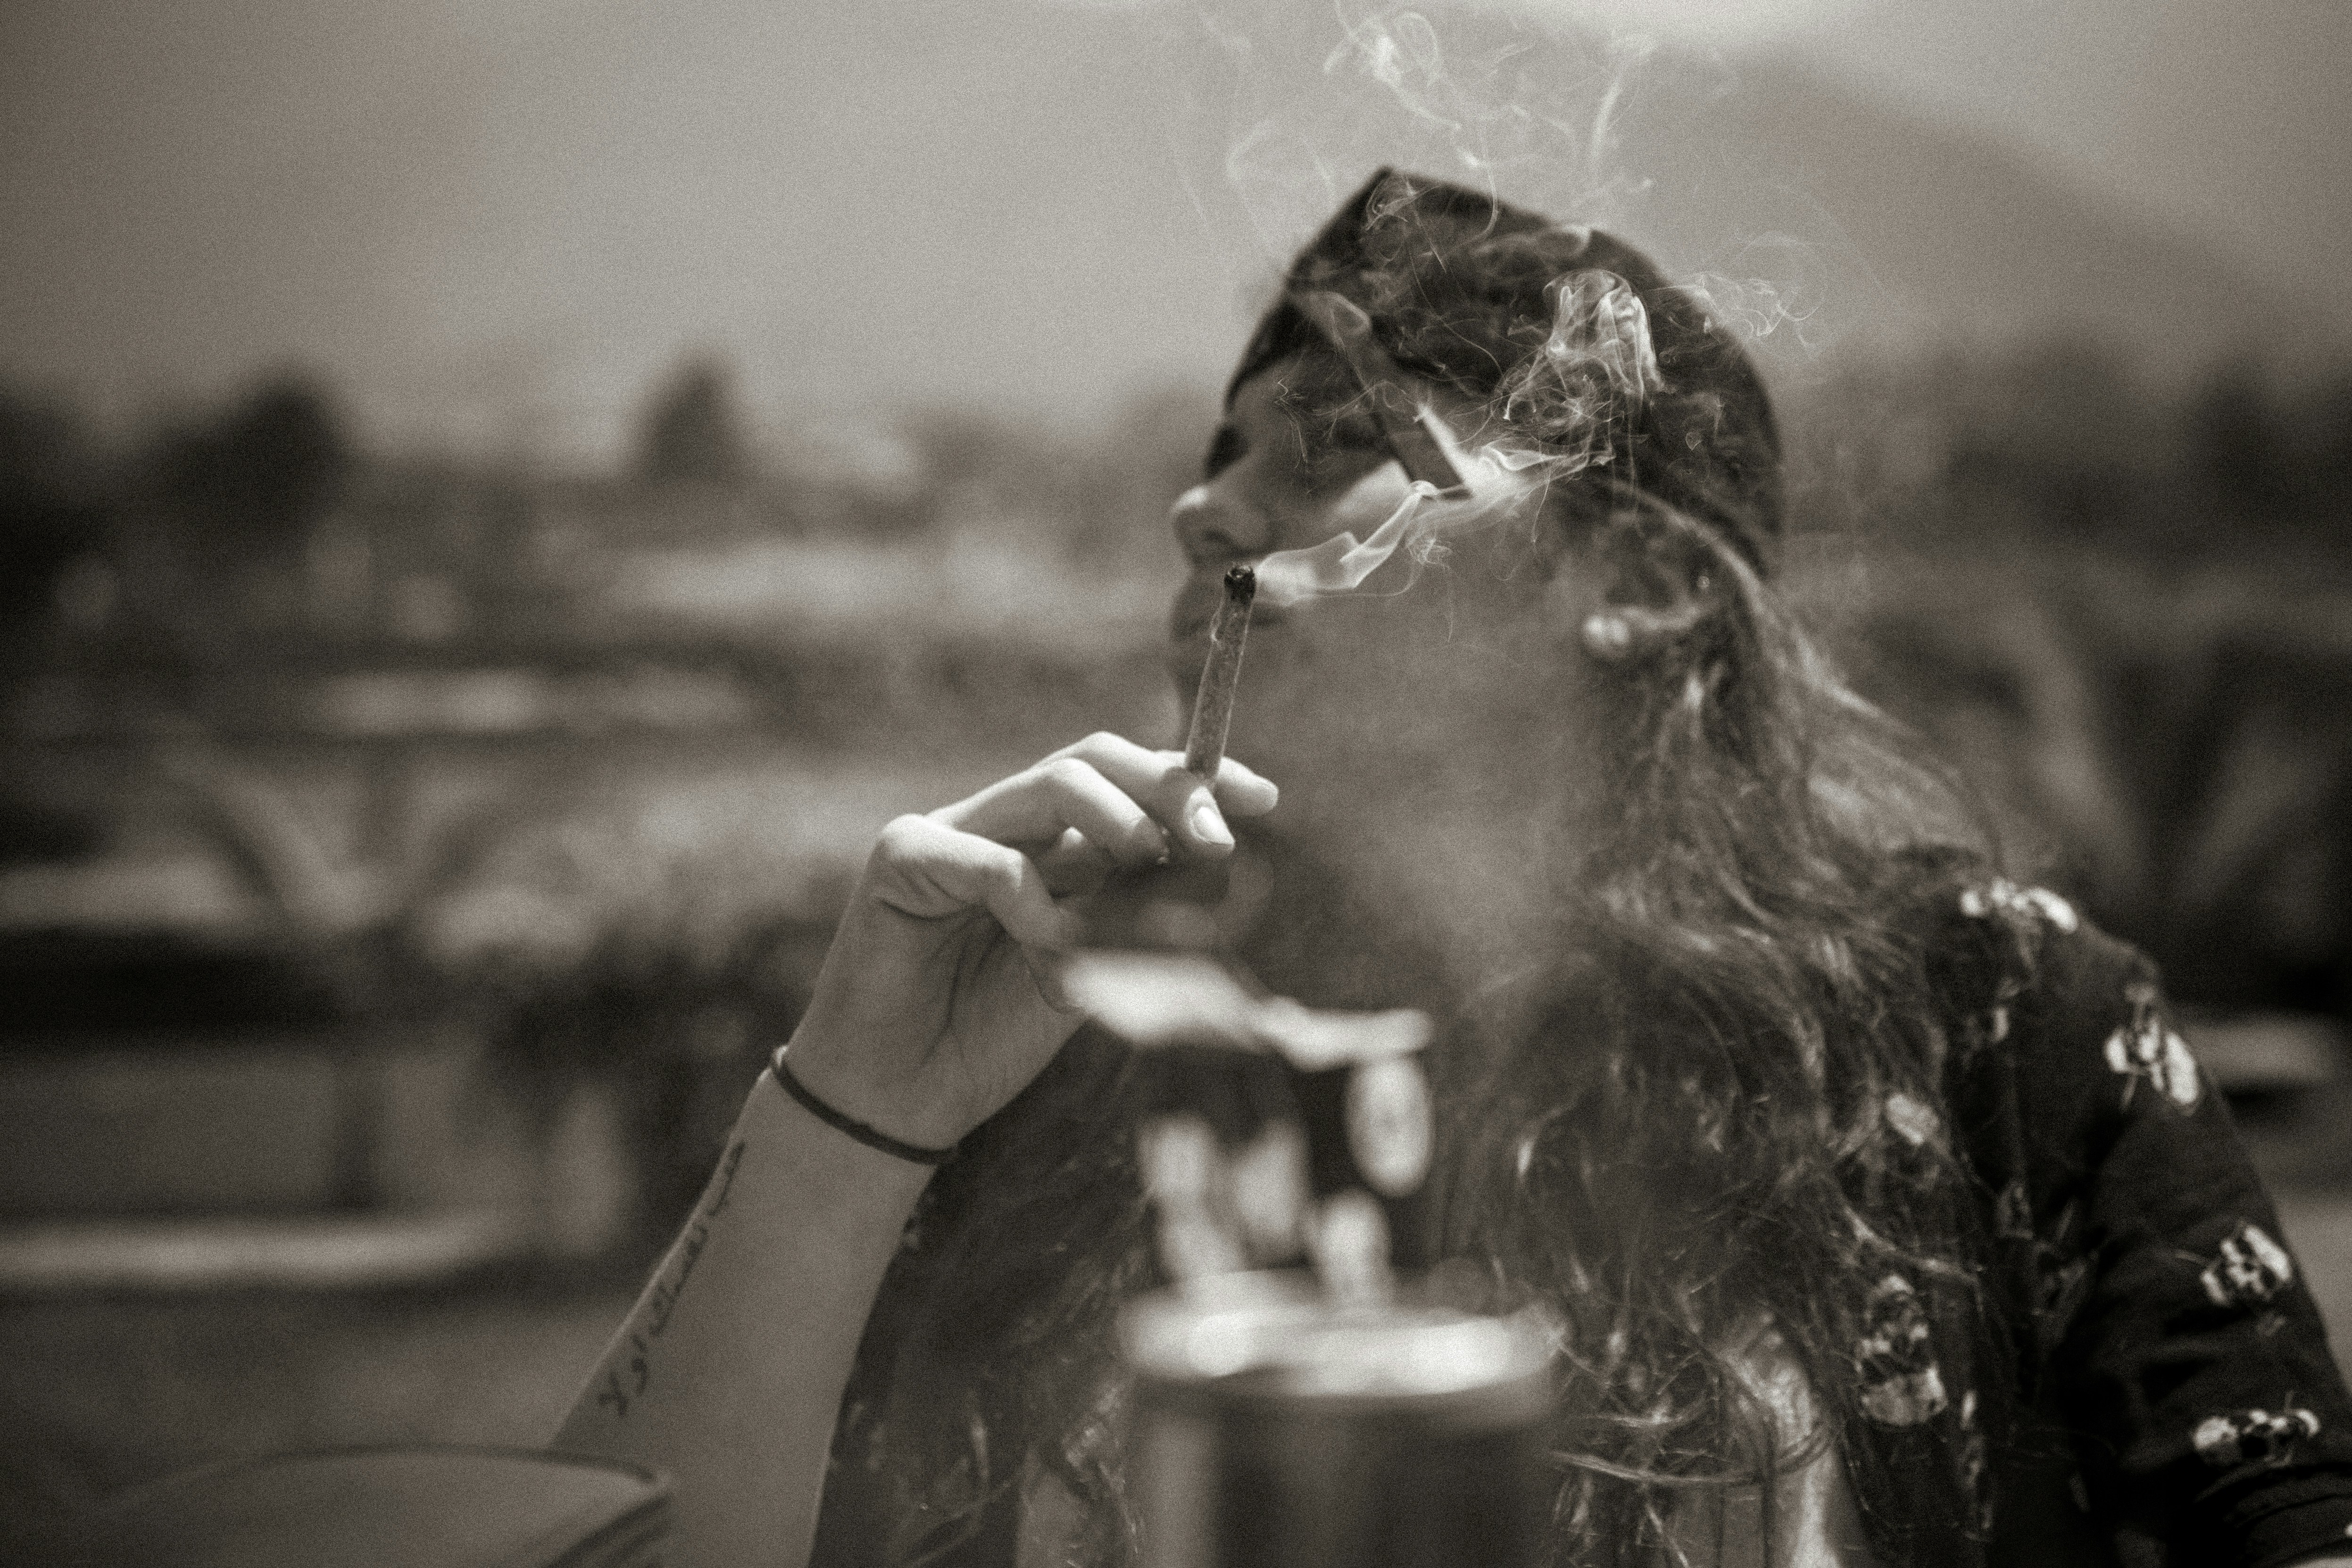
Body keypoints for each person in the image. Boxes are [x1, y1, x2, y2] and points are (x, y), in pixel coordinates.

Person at [551, 170, 2352, 1568]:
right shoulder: (1087, 1034)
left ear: (1635, 584)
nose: (1200, 509)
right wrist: (853, 1105)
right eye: (1218, 457)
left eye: (1342, 440)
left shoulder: (1989, 1033)